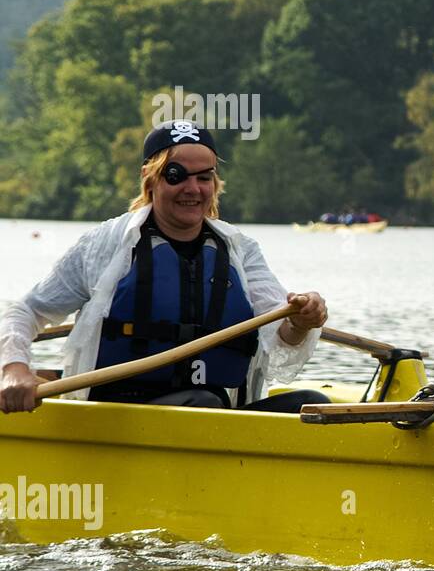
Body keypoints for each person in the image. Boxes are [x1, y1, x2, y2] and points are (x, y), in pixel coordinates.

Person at [1, 121, 330, 414]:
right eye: (176, 176)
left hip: (215, 415)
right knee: (202, 404)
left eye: (204, 177)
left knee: (313, 404)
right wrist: (15, 368)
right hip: (119, 417)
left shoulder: (239, 250)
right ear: (150, 177)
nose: (192, 189)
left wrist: (301, 322)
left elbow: (281, 336)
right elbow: (26, 310)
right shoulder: (106, 244)